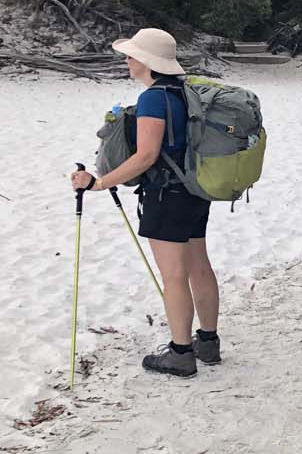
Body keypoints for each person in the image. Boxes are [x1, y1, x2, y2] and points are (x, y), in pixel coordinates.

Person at [71, 28, 220, 378]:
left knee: (174, 276)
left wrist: (100, 182)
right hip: (194, 189)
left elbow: (146, 156)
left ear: (148, 62)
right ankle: (208, 343)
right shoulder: (184, 91)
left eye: (132, 55)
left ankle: (181, 354)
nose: (127, 60)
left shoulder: (155, 98)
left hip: (166, 194)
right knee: (200, 267)